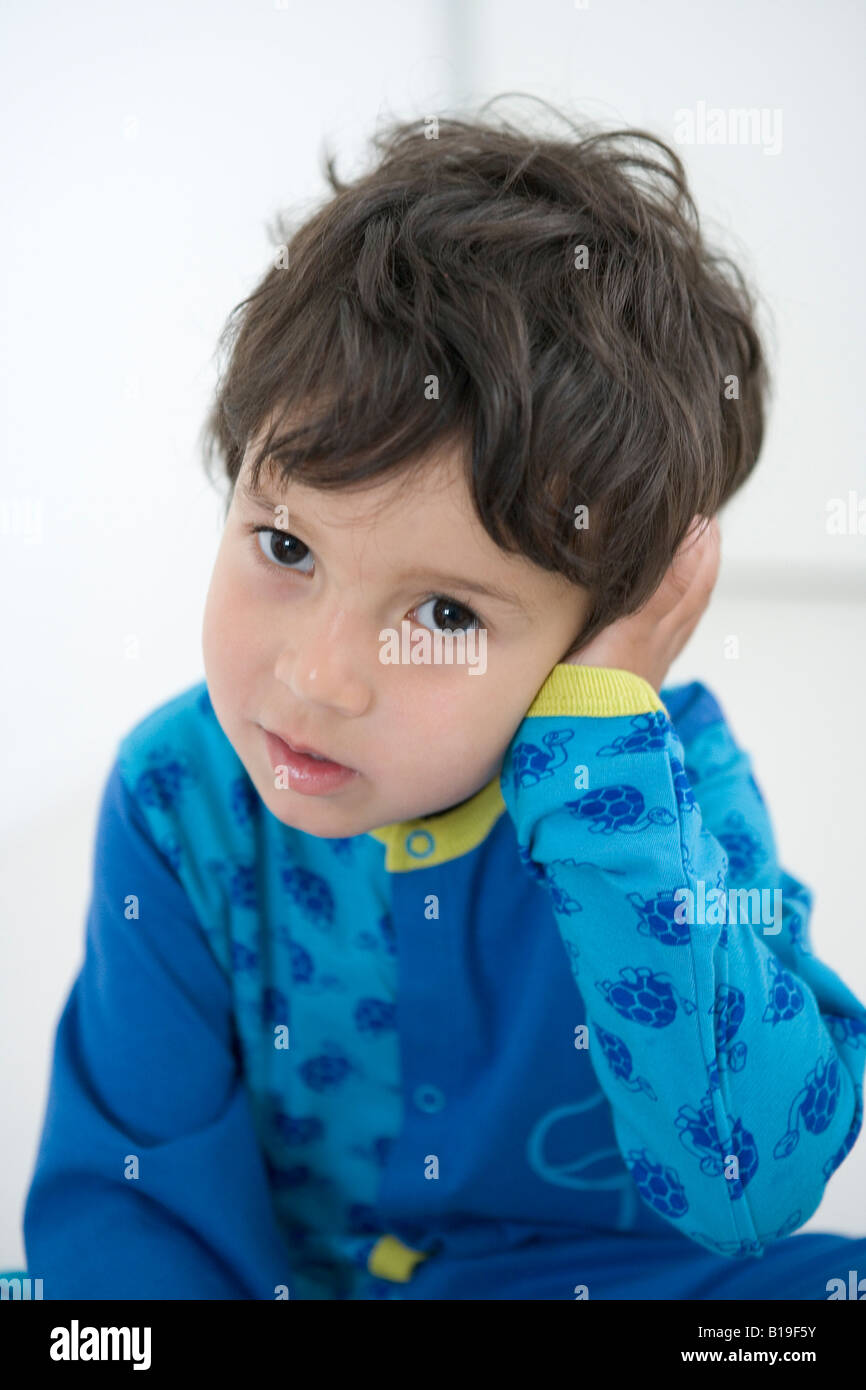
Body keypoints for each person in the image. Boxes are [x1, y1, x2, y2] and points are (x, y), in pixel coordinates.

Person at [23, 104, 866, 1300]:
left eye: (446, 616)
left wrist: (598, 755)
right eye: (284, 543)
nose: (318, 676)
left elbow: (750, 1187)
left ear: (608, 628)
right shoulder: (178, 794)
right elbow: (132, 1204)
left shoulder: (658, 794)